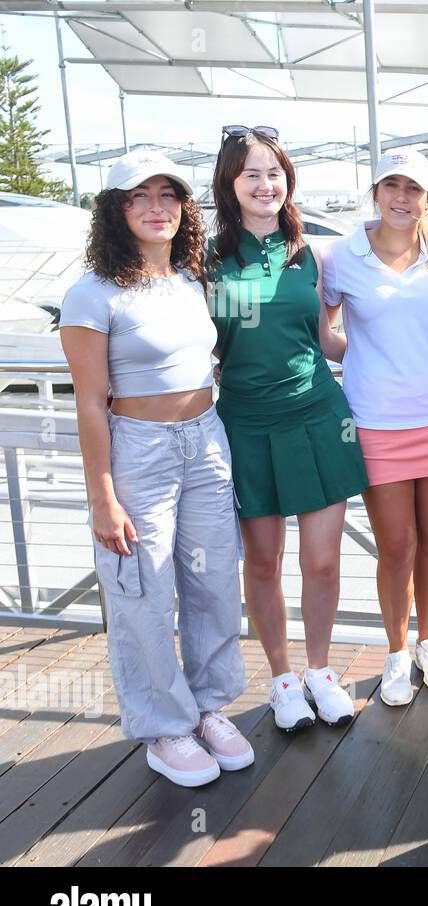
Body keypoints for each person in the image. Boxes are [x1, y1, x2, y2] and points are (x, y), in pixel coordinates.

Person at [61, 150, 251, 787]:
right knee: (142, 590)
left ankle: (207, 705)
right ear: (115, 211)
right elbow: (90, 403)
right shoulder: (92, 292)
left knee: (215, 580)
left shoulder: (191, 279)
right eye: (138, 196)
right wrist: (102, 497)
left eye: (167, 195)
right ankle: (163, 725)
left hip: (207, 440)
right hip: (138, 448)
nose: (155, 207)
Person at [208, 126, 369, 732]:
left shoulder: (310, 251)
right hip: (246, 423)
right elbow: (204, 343)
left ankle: (321, 672)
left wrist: (395, 353)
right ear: (230, 181)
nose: (265, 184)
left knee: (323, 562)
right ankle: (281, 679)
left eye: (274, 172)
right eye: (251, 173)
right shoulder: (207, 255)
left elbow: (326, 337)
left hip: (318, 417)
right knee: (264, 563)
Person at [319, 148, 428, 706]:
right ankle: (396, 653)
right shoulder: (341, 256)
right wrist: (361, 357)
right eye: (392, 186)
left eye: (414, 189)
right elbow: (324, 330)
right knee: (396, 545)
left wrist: (418, 353)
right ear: (376, 193)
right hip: (376, 422)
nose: (402, 198)